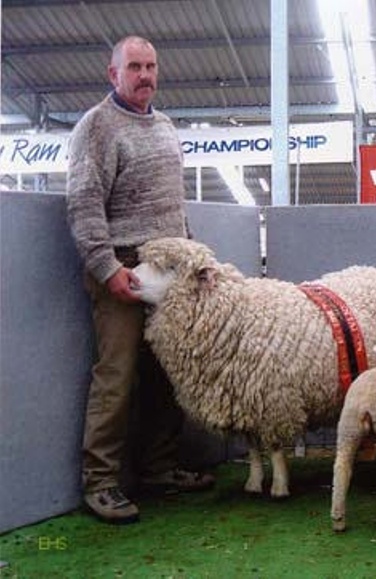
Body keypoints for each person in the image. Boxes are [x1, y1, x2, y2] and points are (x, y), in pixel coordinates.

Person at [66, 35, 214, 525]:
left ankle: (159, 467)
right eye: (134, 66)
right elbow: (84, 204)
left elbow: (174, 204)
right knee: (118, 373)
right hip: (125, 266)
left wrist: (192, 257)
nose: (145, 75)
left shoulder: (167, 126)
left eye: (151, 66)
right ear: (113, 73)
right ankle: (101, 482)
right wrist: (107, 269)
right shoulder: (98, 127)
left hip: (170, 267)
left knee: (167, 372)